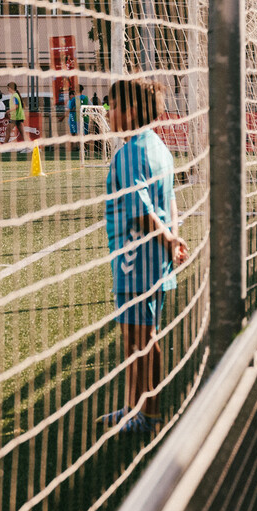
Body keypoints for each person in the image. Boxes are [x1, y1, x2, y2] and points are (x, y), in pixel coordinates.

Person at [102, 78, 188, 435]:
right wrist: (172, 238)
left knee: (141, 339)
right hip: (155, 260)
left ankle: (148, 414)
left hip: (136, 259)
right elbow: (168, 201)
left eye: (114, 106)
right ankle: (134, 409)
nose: (108, 113)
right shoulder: (159, 148)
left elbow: (141, 209)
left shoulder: (129, 153)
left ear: (131, 111)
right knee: (140, 337)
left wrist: (168, 238)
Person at [6, 81, 27, 152]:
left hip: (16, 117)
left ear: (10, 88)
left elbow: (16, 106)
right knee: (22, 133)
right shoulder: (15, 95)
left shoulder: (14, 96)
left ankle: (4, 147)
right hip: (18, 117)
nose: (8, 89)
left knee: (8, 130)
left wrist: (8, 111)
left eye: (8, 88)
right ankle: (28, 147)